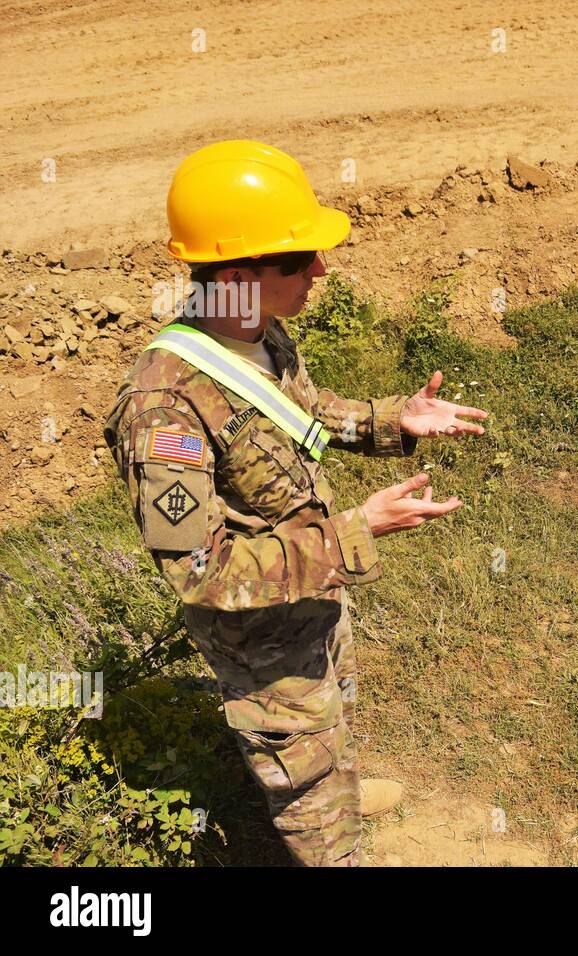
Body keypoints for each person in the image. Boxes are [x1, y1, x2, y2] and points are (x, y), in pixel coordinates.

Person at [103, 140, 488, 866]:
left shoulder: (257, 333)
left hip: (312, 598)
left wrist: (386, 421)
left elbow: (303, 415)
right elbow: (197, 570)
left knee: (335, 706)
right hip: (262, 639)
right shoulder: (164, 407)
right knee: (302, 760)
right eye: (300, 258)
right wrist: (353, 534)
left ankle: (335, 784)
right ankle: (324, 826)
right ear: (242, 272)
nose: (320, 269)